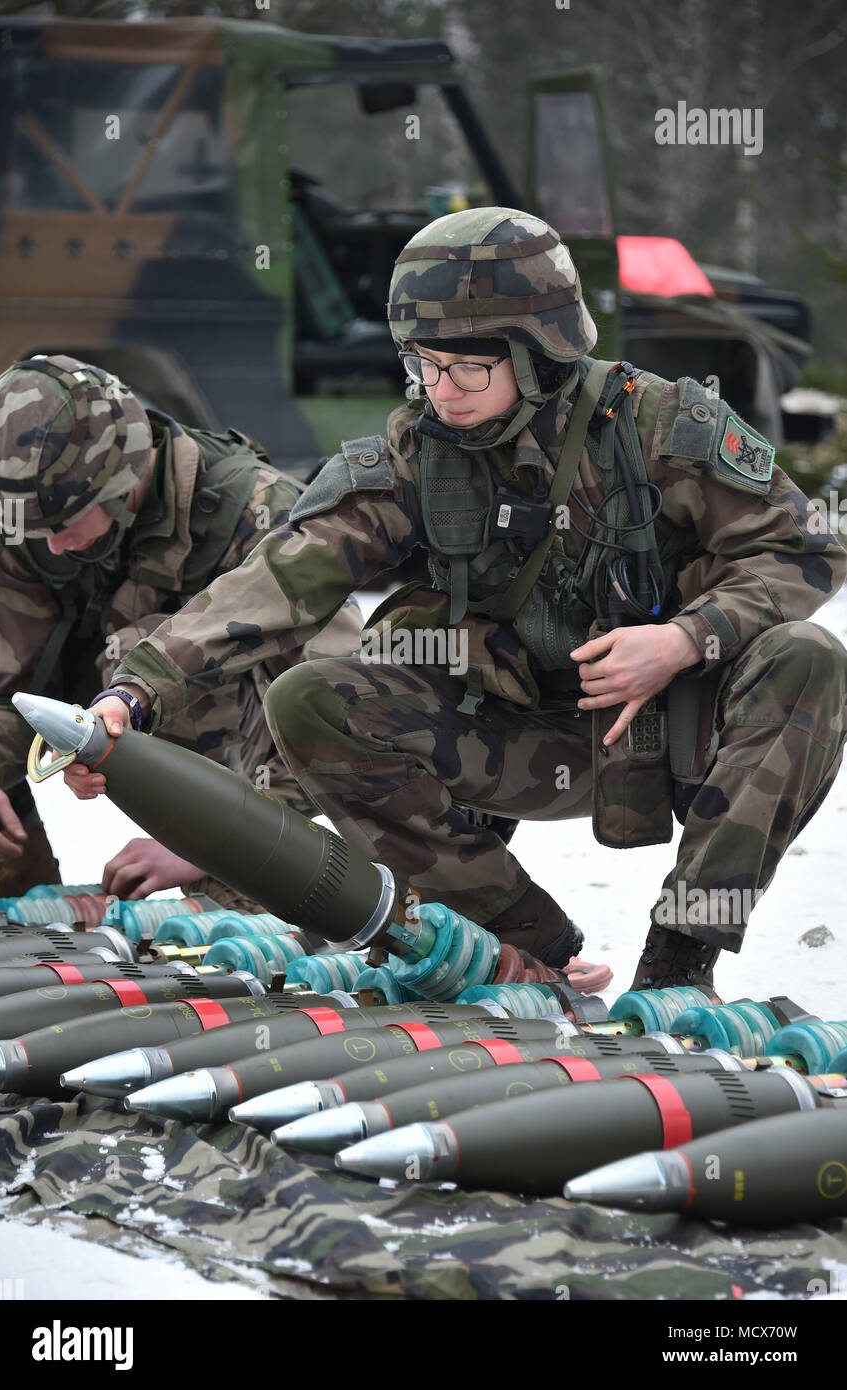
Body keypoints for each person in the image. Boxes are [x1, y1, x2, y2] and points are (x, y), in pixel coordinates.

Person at [81, 209, 847, 992]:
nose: (441, 391)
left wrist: (686, 639)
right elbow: (279, 579)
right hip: (513, 736)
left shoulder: (662, 427)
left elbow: (805, 547)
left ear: (540, 352)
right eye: (423, 365)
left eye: (468, 369)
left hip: (666, 729)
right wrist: (136, 690)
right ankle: (522, 941)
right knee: (310, 698)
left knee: (808, 658)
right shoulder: (414, 454)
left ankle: (679, 961)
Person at [0, 354, 363, 905]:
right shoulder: (30, 523)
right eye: (35, 530)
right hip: (128, 744)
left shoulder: (256, 516)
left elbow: (336, 710)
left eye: (63, 525)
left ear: (121, 473)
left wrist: (214, 839)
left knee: (232, 953)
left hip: (255, 800)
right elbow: (3, 690)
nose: (53, 546)